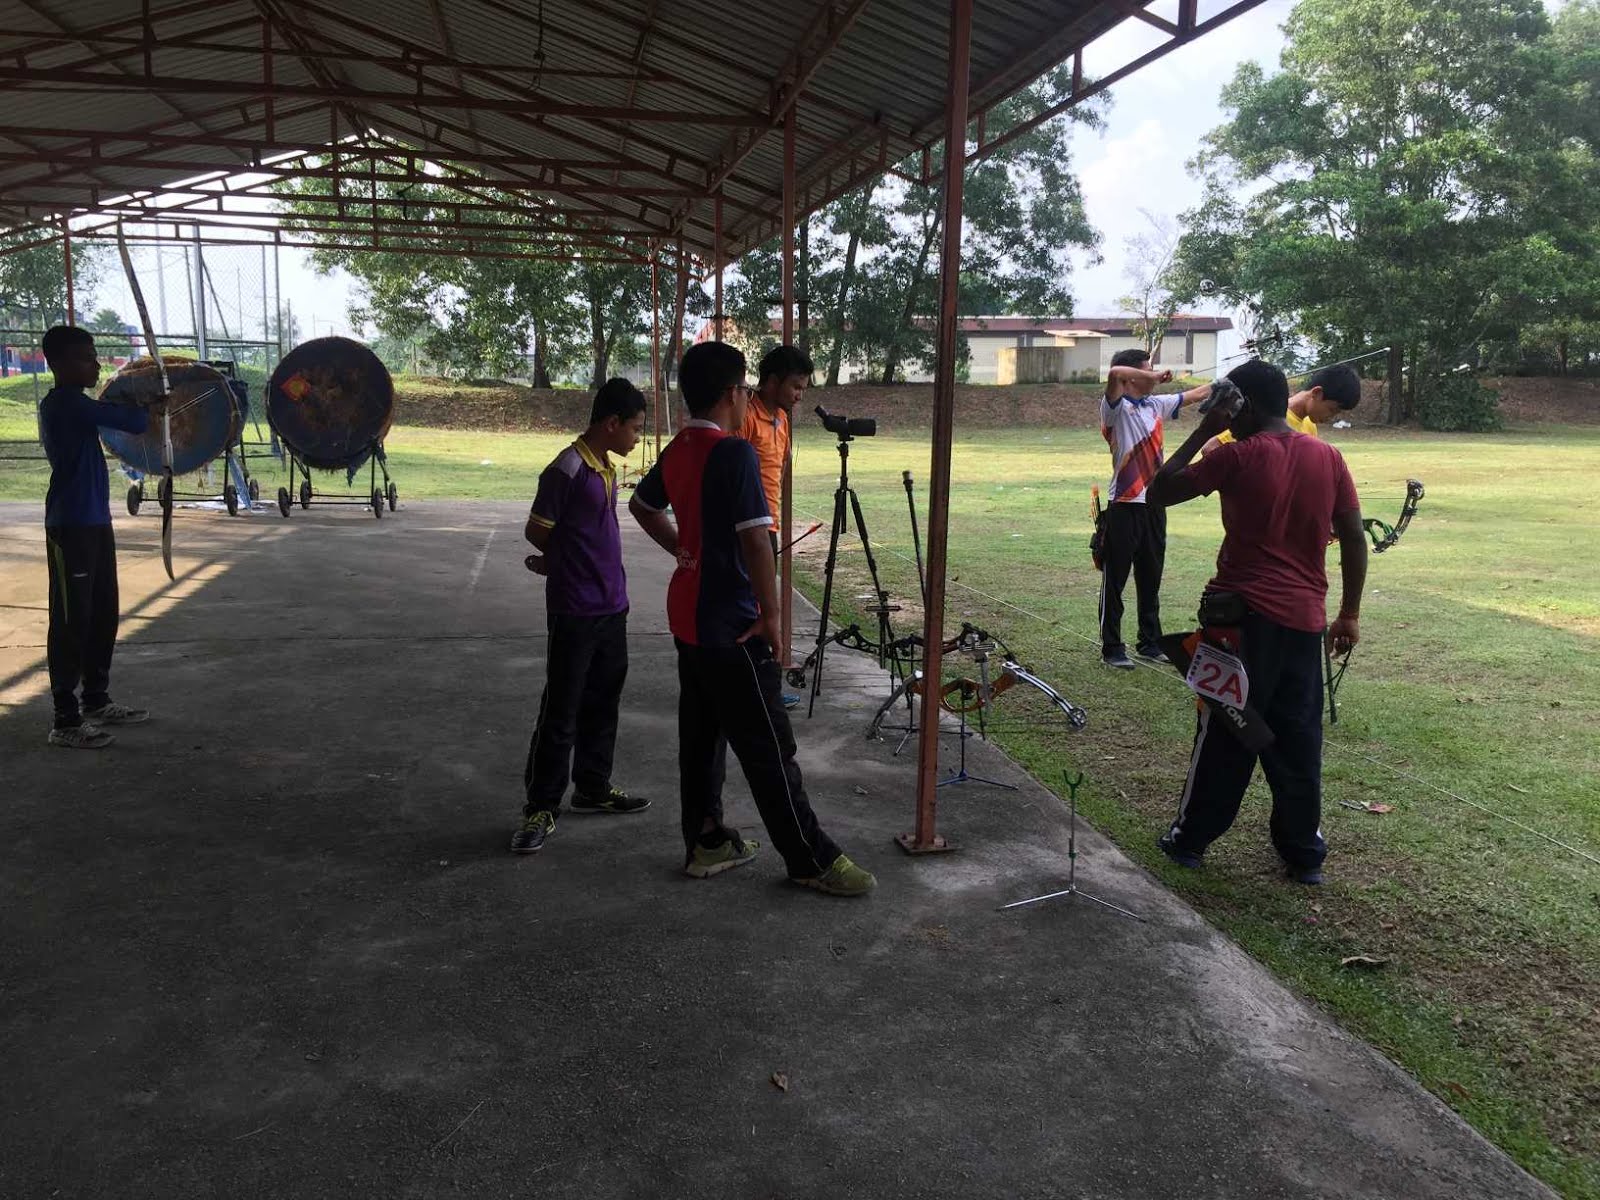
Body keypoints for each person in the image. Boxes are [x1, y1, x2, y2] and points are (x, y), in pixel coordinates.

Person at [629, 341, 875, 897]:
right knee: (770, 748)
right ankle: (810, 858)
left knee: (701, 737)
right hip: (731, 620)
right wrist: (774, 618)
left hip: (689, 617)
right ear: (730, 393)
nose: (746, 398)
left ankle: (707, 840)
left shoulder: (679, 449)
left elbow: (642, 508)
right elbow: (757, 546)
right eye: (742, 389)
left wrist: (685, 554)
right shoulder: (732, 452)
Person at [1145, 359, 1368, 885]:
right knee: (1298, 737)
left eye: (1225, 407)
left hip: (1239, 626)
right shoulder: (1328, 457)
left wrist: (1205, 427)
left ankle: (1190, 841)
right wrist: (1350, 613)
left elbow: (1159, 491)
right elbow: (1354, 538)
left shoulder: (1236, 456)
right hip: (1304, 623)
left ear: (1237, 406)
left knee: (1226, 732)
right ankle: (1302, 855)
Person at [512, 379, 651, 855]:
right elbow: (537, 530)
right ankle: (541, 806)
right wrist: (561, 562)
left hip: (613, 606)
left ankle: (592, 787)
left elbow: (582, 534)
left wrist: (566, 557)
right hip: (575, 609)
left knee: (603, 703)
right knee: (562, 710)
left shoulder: (605, 469)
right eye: (635, 428)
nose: (637, 437)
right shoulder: (566, 469)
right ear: (611, 424)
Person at [38, 325, 157, 749]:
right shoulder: (64, 404)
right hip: (70, 525)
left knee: (102, 611)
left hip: (94, 522)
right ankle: (65, 719)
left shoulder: (79, 404)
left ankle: (95, 698)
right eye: (86, 358)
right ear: (59, 364)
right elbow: (133, 421)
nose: (95, 364)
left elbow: (126, 420)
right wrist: (145, 404)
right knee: (72, 619)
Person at [1098, 348, 1212, 670]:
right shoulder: (1114, 409)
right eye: (1147, 370)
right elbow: (1114, 375)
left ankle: (1149, 642)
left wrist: (1224, 386)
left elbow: (1197, 394)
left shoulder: (1155, 405)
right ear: (1134, 376)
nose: (1154, 375)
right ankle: (1112, 648)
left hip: (1154, 506)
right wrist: (1155, 377)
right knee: (1115, 581)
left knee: (1150, 577)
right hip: (1123, 506)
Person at [740, 343, 812, 709]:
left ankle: (765, 686)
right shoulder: (745, 416)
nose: (799, 396)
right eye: (795, 387)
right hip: (746, 528)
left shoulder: (782, 420)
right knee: (756, 609)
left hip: (768, 525)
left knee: (766, 607)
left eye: (802, 388)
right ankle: (756, 688)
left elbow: (779, 467)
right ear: (770, 382)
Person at [1201, 363, 1361, 456]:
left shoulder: (1310, 426)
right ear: (1317, 393)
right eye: (1333, 410)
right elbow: (1210, 449)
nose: (1331, 417)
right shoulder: (1271, 418)